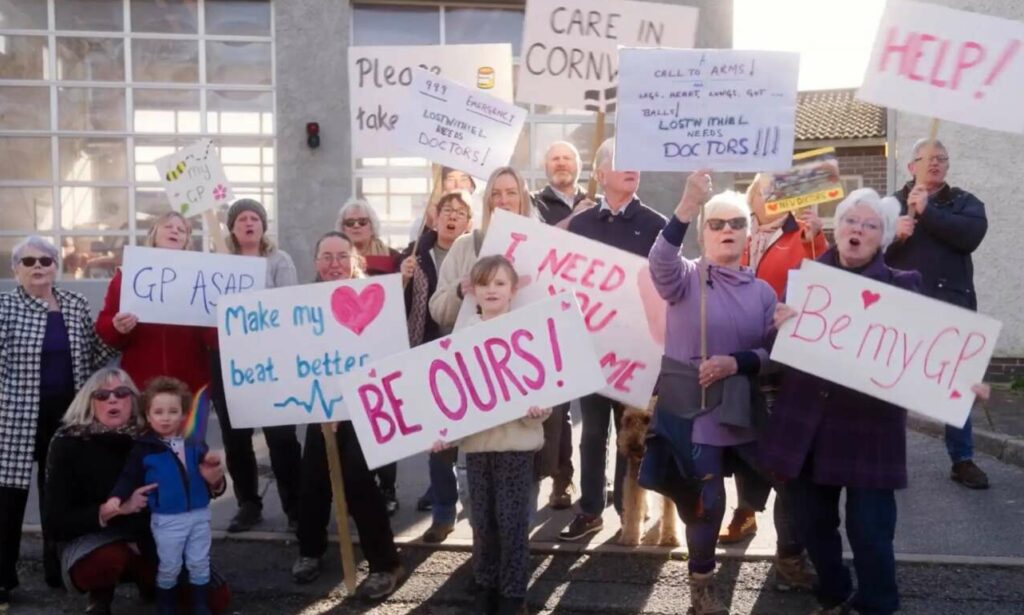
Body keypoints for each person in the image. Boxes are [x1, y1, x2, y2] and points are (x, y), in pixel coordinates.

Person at [763, 188, 992, 615]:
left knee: (871, 532)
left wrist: (960, 381)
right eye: (851, 221)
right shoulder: (807, 280)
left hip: (870, 430)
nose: (858, 230)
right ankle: (833, 594)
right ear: (838, 228)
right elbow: (775, 350)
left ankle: (876, 605)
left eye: (870, 225)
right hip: (808, 427)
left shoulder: (904, 286)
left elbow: (925, 352)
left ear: (883, 237)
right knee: (814, 526)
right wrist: (777, 327)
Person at [638, 172, 777, 614]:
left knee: (786, 483)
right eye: (716, 223)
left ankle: (792, 559)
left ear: (748, 233)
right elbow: (659, 261)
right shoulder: (684, 277)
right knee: (706, 502)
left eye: (737, 223)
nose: (727, 230)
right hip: (693, 411)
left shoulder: (764, 292)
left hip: (743, 408)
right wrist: (687, 205)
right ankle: (701, 586)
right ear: (703, 233)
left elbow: (774, 355)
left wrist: (738, 361)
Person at [711, 176, 826, 590]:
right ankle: (746, 512)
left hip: (786, 364)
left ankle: (790, 553)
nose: (774, 196)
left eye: (781, 189)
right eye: (765, 189)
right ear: (752, 197)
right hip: (739, 361)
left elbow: (826, 286)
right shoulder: (736, 232)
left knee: (786, 463)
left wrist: (817, 240)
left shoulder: (804, 236)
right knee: (745, 447)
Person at [43, 368, 231, 615]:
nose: (112, 399)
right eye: (102, 395)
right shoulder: (68, 443)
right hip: (95, 535)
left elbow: (198, 487)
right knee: (105, 561)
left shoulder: (157, 435)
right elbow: (55, 522)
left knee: (217, 600)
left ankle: (149, 581)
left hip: (156, 535)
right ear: (89, 402)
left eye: (121, 393)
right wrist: (112, 509)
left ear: (134, 400)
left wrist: (213, 482)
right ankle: (101, 594)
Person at [558, 139, 667, 542]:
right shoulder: (581, 225)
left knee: (631, 434)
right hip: (589, 349)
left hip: (636, 352)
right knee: (591, 434)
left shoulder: (656, 224)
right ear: (601, 174)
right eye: (623, 162)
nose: (632, 168)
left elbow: (666, 284)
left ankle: (627, 511)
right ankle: (590, 510)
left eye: (637, 162)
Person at [0, 236, 117, 604]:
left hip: (68, 416)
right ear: (15, 269)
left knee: (58, 493)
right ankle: (3, 576)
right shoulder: (5, 307)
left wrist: (120, 331)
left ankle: (57, 568)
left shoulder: (74, 303)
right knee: (8, 497)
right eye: (28, 261)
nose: (38, 266)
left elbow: (96, 354)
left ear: (56, 266)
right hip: (15, 415)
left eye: (46, 260)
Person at [434, 255, 551, 615]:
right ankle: (485, 585)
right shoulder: (462, 336)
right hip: (476, 448)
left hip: (515, 446)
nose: (492, 290)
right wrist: (443, 432)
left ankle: (513, 594)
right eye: (484, 283)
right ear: (473, 290)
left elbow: (545, 386)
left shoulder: (527, 333)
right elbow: (450, 392)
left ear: (514, 289)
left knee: (512, 523)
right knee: (482, 521)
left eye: (500, 283)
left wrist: (538, 411)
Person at [291, 232, 405, 599]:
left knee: (358, 479)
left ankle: (385, 563)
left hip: (364, 406)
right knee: (313, 479)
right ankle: (310, 550)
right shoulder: (300, 303)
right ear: (316, 262)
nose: (334, 264)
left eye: (342, 256)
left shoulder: (374, 297)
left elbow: (385, 355)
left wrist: (350, 401)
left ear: (356, 261)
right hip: (320, 406)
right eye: (326, 256)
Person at [885, 138, 990, 490]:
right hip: (904, 309)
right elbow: (864, 248)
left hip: (952, 309)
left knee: (956, 387)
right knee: (894, 385)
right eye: (926, 158)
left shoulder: (965, 203)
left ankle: (962, 459)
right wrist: (892, 236)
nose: (934, 163)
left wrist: (928, 211)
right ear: (911, 166)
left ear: (947, 165)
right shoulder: (891, 205)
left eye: (940, 158)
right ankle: (889, 456)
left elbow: (969, 236)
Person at [207, 199, 303, 533]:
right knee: (235, 436)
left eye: (254, 219)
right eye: (242, 219)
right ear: (231, 228)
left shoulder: (279, 260)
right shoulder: (219, 261)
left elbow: (288, 304)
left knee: (281, 436)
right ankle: (248, 503)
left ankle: (295, 507)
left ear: (263, 225)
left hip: (270, 357)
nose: (249, 224)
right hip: (228, 356)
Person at [105, 377, 226, 615]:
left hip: (199, 514)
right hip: (167, 519)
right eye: (158, 412)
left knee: (199, 562)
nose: (166, 417)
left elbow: (210, 474)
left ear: (184, 415)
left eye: (173, 411)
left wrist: (213, 469)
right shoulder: (143, 449)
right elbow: (129, 477)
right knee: (170, 564)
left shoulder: (195, 443)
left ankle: (200, 605)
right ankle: (166, 605)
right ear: (148, 416)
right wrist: (116, 498)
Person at [401, 191, 473, 542]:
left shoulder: (476, 252)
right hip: (430, 355)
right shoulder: (413, 255)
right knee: (439, 441)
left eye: (461, 212)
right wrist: (402, 278)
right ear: (435, 215)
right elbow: (392, 304)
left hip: (470, 355)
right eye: (447, 210)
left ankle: (478, 514)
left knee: (474, 441)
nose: (453, 216)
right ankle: (444, 513)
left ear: (469, 222)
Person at [530, 141, 593, 510]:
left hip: (594, 316)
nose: (561, 163)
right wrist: (573, 220)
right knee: (557, 410)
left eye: (567, 158)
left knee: (597, 412)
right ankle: (560, 478)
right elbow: (535, 248)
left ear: (579, 165)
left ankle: (597, 482)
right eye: (554, 158)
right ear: (546, 167)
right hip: (550, 317)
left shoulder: (597, 201)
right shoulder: (534, 205)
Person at [337, 197, 406, 514]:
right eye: (349, 222)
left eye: (361, 221)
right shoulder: (336, 259)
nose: (356, 227)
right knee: (352, 428)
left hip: (383, 353)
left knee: (383, 422)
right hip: (346, 354)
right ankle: (358, 489)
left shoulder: (392, 258)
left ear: (372, 225)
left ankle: (387, 487)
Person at [95, 211, 211, 396]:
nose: (175, 231)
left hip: (190, 386)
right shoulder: (127, 274)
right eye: (168, 226)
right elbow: (105, 325)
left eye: (181, 230)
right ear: (154, 235)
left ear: (186, 241)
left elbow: (213, 337)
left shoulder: (201, 277)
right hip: (141, 384)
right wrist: (116, 327)